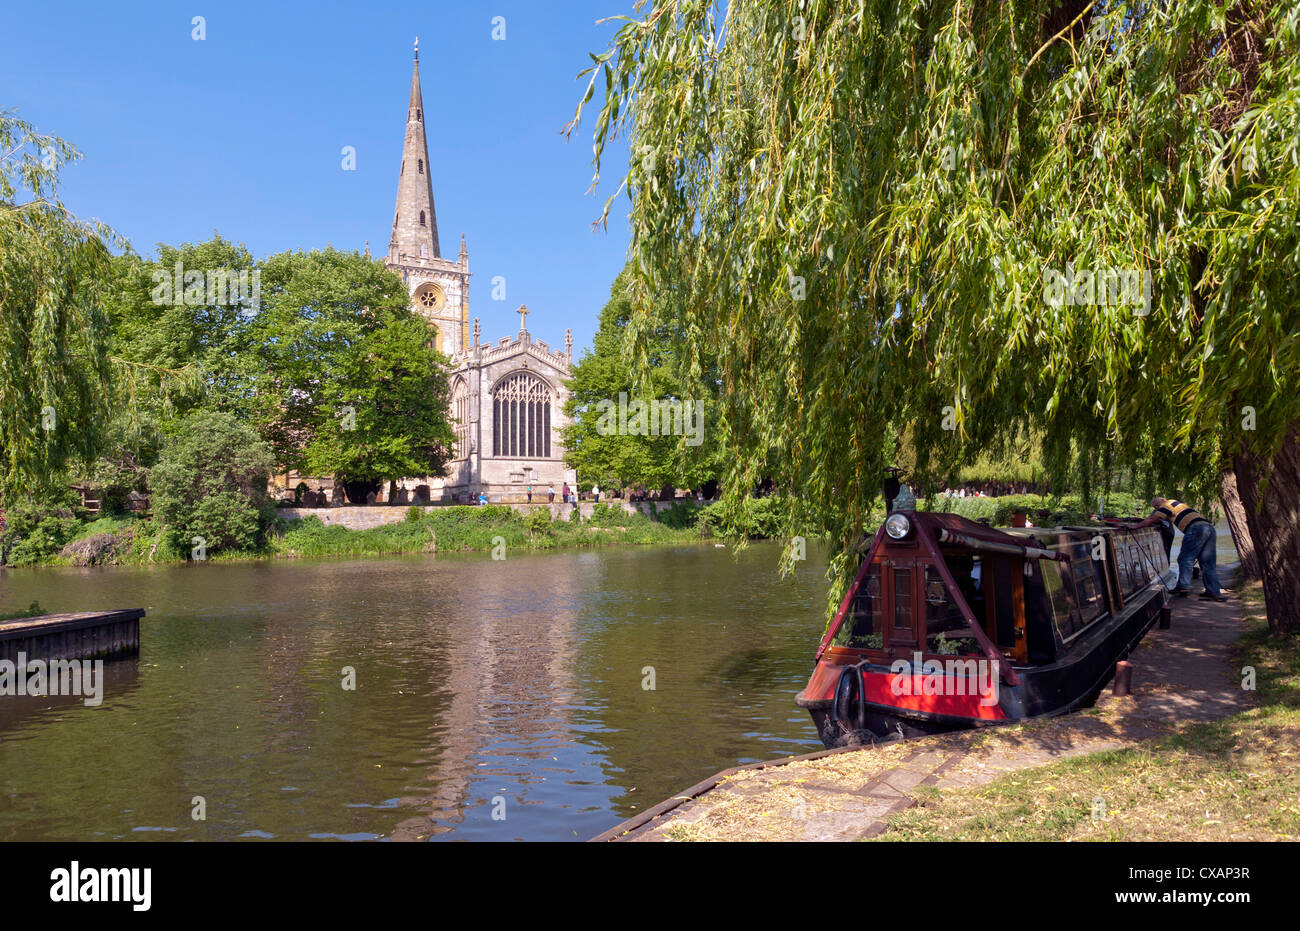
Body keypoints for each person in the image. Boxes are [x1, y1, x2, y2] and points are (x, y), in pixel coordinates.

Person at [1123, 497, 1225, 601]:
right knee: (1207, 563)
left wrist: (1135, 527)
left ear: (1163, 500)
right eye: (1155, 507)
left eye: (1157, 505)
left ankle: (1182, 586)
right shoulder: (1179, 505)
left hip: (1195, 529)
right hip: (1209, 528)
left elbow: (1152, 519)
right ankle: (1214, 592)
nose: (1157, 508)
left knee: (1185, 559)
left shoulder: (1166, 505)